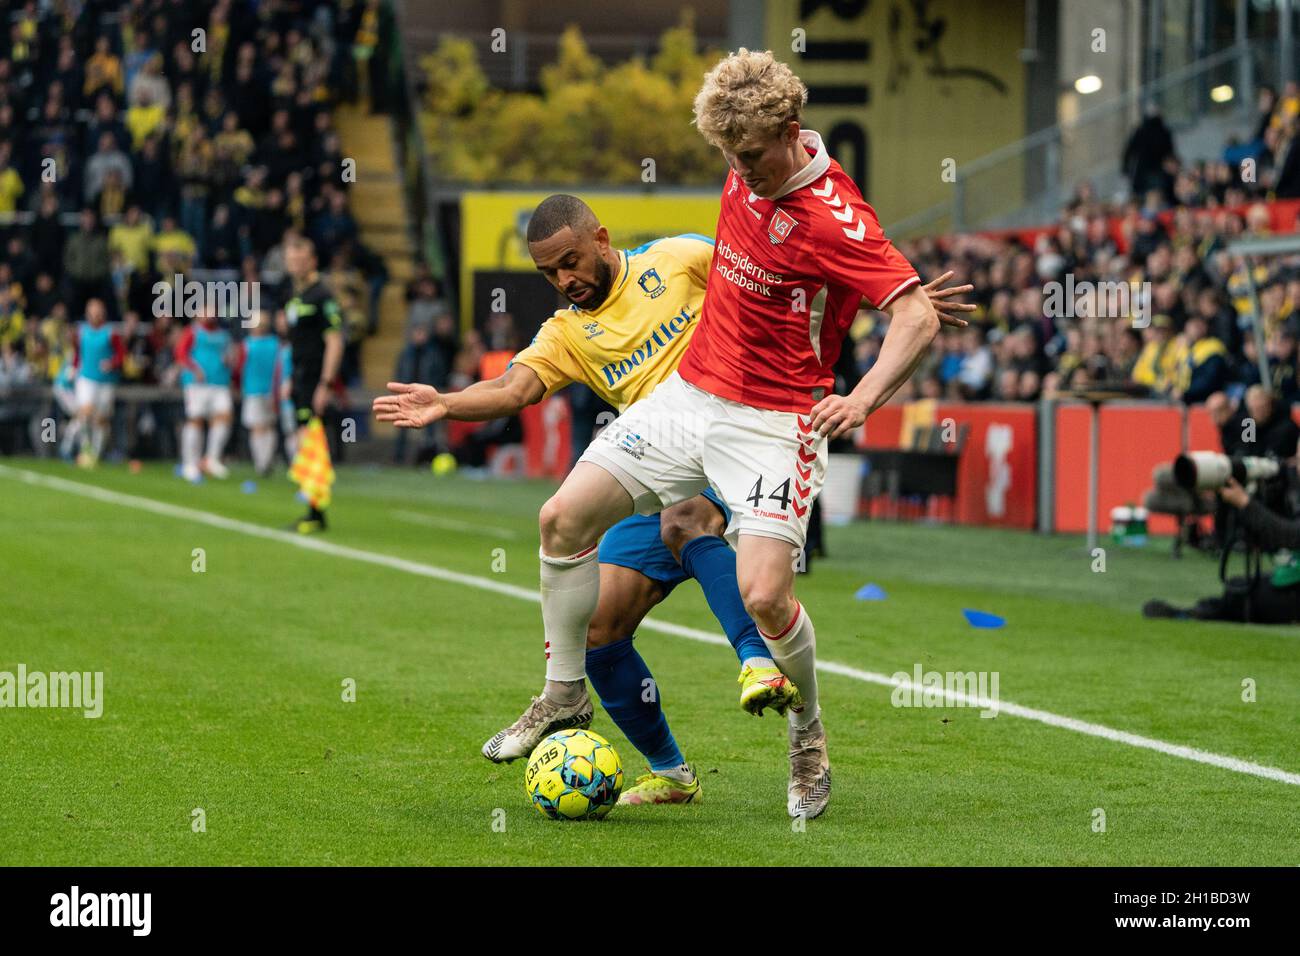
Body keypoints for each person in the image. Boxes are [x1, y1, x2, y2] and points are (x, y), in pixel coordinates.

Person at [381, 50, 944, 817]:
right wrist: (445, 403)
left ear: (790, 130)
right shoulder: (742, 163)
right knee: (559, 518)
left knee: (768, 596)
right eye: (728, 159)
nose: (739, 173)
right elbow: (517, 386)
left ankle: (806, 732)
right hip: (691, 396)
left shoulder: (832, 215)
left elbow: (913, 313)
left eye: (749, 157)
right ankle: (566, 694)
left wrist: (868, 391)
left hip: (775, 419)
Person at [280, 236, 343, 533]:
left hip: (315, 379)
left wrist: (326, 383)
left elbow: (334, 340)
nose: (294, 265)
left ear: (312, 261)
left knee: (312, 441)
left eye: (299, 260)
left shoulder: (322, 295)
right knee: (305, 441)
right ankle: (313, 508)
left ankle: (315, 512)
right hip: (300, 378)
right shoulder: (296, 294)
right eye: (290, 260)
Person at [174, 309, 236, 481]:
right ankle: (190, 463)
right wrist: (194, 369)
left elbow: (231, 356)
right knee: (196, 420)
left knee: (224, 416)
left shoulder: (224, 335)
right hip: (197, 384)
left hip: (219, 382)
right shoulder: (192, 332)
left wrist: (229, 362)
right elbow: (180, 354)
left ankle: (211, 458)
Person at [70, 298, 123, 467]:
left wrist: (112, 363)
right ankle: (85, 447)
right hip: (86, 378)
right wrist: (74, 367)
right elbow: (78, 353)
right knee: (85, 412)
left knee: (101, 419)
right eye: (92, 311)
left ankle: (96, 453)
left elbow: (121, 355)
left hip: (106, 381)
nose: (95, 315)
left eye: (98, 311)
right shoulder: (81, 332)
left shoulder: (111, 333)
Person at [241, 311, 282, 477]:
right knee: (269, 426)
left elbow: (239, 366)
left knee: (257, 427)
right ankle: (266, 460)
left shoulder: (248, 344)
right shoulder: (276, 343)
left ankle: (261, 463)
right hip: (272, 390)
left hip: (253, 389)